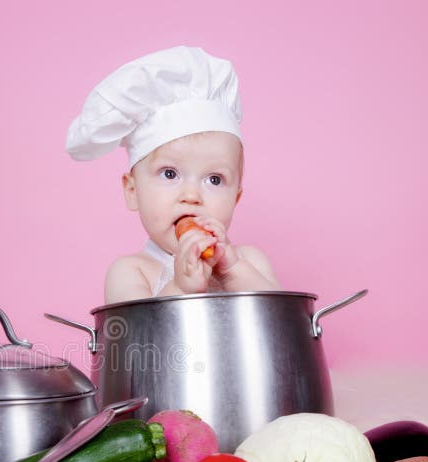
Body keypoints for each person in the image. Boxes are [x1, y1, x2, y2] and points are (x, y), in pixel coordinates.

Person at [66, 46, 280, 303]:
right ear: (133, 192)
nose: (191, 196)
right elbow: (137, 340)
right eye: (169, 174)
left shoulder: (249, 261)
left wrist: (232, 271)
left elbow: (281, 321)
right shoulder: (132, 272)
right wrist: (179, 288)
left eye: (214, 179)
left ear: (235, 198)